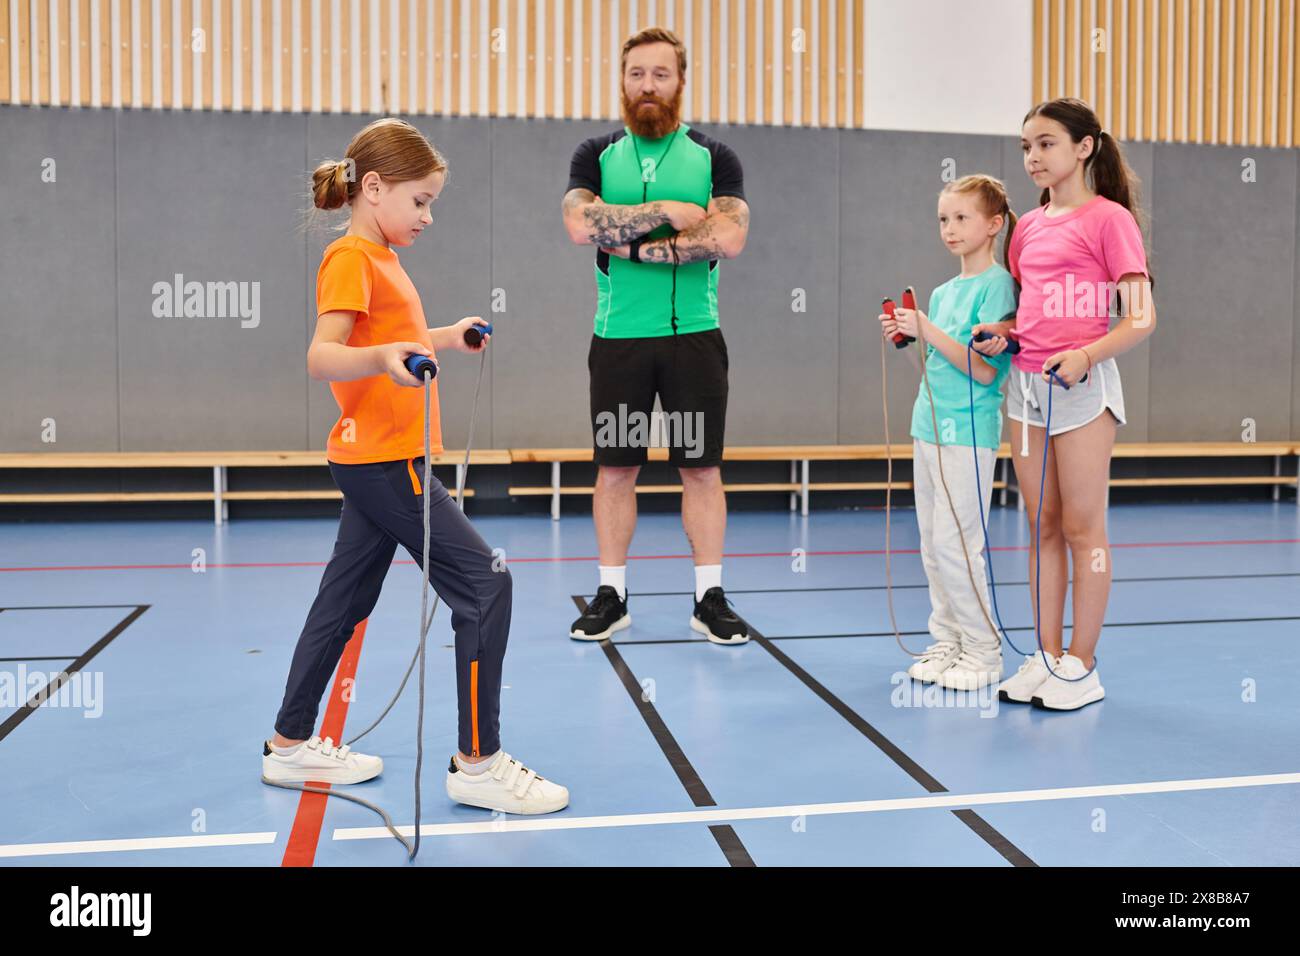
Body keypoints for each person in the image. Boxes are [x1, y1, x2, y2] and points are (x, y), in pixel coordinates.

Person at [262, 117, 568, 814]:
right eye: (420, 200)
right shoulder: (351, 260)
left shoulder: (383, 259)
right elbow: (322, 354)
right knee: (488, 587)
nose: (428, 215)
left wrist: (446, 337)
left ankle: (288, 745)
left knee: (343, 600)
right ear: (374, 189)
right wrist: (380, 359)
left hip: (373, 459)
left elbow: (392, 340)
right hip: (384, 462)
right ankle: (478, 762)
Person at [561, 27, 753, 645]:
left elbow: (728, 237)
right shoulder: (595, 153)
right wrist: (669, 213)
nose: (648, 85)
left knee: (700, 469)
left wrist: (630, 246)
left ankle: (709, 597)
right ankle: (612, 594)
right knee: (617, 468)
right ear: (622, 81)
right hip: (619, 339)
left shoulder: (714, 157)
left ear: (680, 82)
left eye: (661, 74)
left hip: (692, 338)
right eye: (637, 73)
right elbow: (576, 221)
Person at [972, 97, 1157, 710]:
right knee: (1040, 526)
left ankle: (1082, 664)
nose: (1033, 157)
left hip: (1082, 393)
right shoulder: (1026, 226)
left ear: (1083, 148)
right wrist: (1009, 333)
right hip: (1025, 392)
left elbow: (1141, 318)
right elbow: (1035, 312)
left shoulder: (1110, 221)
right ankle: (1046, 656)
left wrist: (1086, 355)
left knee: (1083, 529)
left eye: (1046, 143)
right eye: (1026, 146)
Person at [879, 174, 1018, 691]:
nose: (950, 228)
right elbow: (939, 364)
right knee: (933, 545)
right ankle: (950, 640)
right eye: (943, 219)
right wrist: (908, 333)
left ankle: (983, 650)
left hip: (969, 434)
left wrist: (928, 330)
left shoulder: (998, 286)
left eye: (962, 218)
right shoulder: (941, 292)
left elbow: (984, 371)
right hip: (928, 428)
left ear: (993, 224)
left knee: (961, 545)